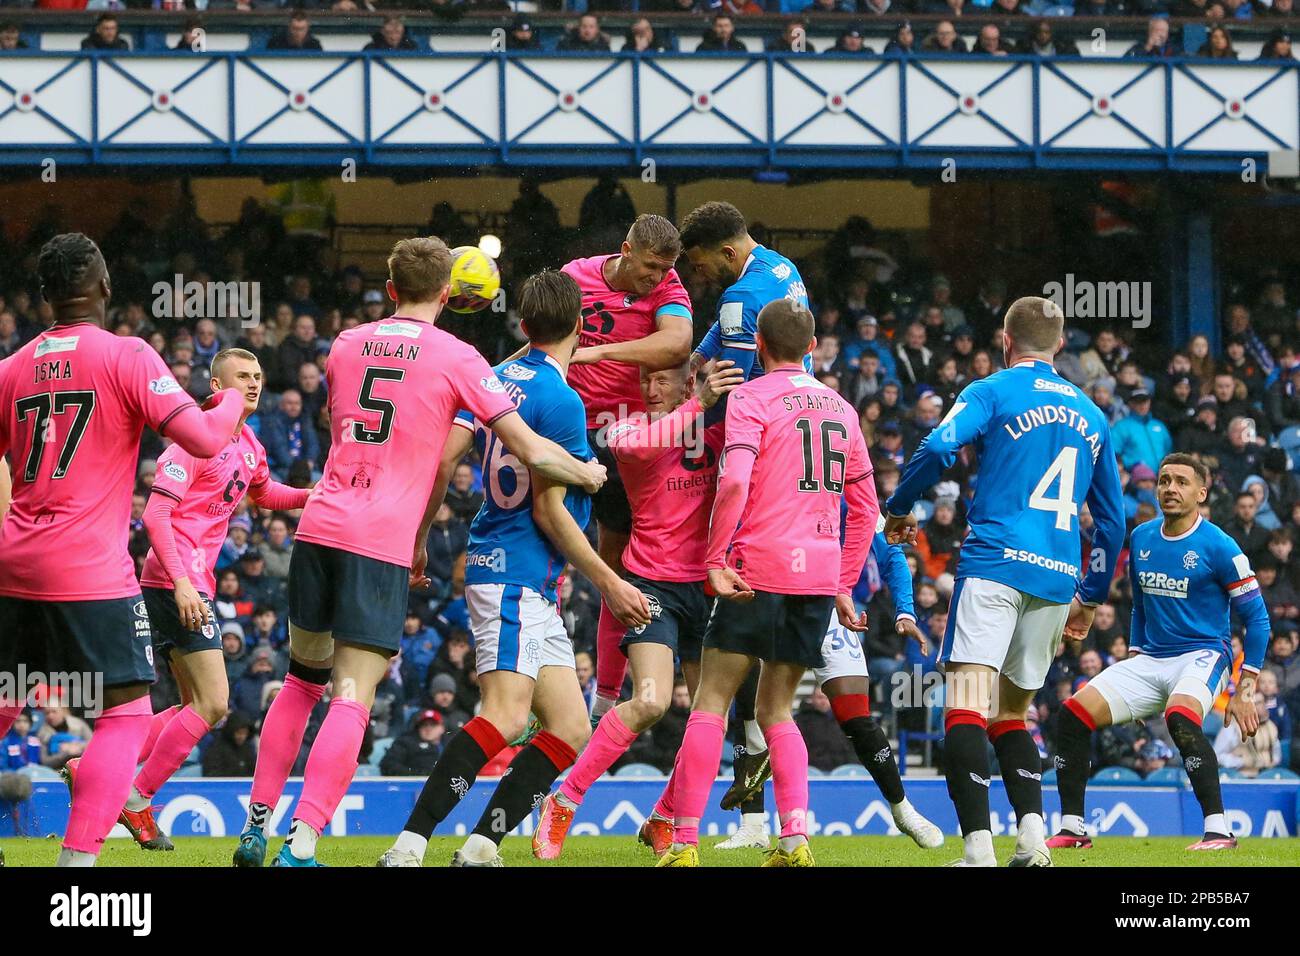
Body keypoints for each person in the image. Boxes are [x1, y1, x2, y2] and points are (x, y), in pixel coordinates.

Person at [232, 238, 607, 868]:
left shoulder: (345, 345)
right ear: (449, 293)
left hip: (320, 526)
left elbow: (351, 417)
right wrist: (589, 475)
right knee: (352, 694)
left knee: (300, 682)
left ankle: (255, 828)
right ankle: (301, 846)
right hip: (378, 540)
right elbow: (531, 449)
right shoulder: (460, 358)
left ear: (389, 283)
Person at [376, 271, 649, 868]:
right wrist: (611, 581)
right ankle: (409, 844)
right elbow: (551, 512)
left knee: (571, 727)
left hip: (517, 575)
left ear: (523, 327)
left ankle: (480, 846)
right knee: (502, 714)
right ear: (581, 326)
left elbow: (448, 457)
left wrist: (421, 538)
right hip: (515, 573)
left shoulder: (497, 379)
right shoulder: (564, 402)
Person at [0, 233, 247, 867]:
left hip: (13, 563)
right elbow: (198, 437)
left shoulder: (13, 366)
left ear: (46, 296)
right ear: (106, 288)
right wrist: (228, 404)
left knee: (7, 698)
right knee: (125, 715)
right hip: (87, 570)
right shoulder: (128, 355)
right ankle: (77, 869)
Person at [882, 296, 1125, 868]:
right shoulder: (1092, 414)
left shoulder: (991, 389)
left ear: (1006, 340)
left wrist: (899, 505)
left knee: (965, 704)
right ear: (1061, 345)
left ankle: (977, 851)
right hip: (1059, 577)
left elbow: (940, 443)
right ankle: (1034, 842)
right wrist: (1089, 599)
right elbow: (1112, 524)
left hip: (995, 563)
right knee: (1012, 713)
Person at [659, 299, 878, 868]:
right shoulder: (844, 410)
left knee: (710, 703)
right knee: (778, 710)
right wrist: (845, 583)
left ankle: (683, 844)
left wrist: (714, 556)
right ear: (812, 348)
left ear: (757, 346)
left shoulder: (750, 398)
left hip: (758, 567)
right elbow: (866, 506)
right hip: (817, 576)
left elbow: (733, 480)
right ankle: (795, 840)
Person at [530, 359, 742, 860]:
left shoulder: (717, 430)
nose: (649, 387)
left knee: (713, 718)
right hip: (652, 583)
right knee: (650, 700)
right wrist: (699, 403)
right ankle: (564, 799)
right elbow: (637, 448)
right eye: (644, 379)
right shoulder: (628, 429)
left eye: (660, 378)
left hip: (708, 586)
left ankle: (665, 815)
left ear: (687, 380)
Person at [117, 349, 310, 851]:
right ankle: (136, 798)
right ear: (215, 381)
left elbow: (265, 494)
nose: (252, 383)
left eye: (258, 376)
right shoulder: (193, 436)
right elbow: (156, 517)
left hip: (187, 580)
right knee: (215, 702)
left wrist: (313, 496)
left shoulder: (249, 444)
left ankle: (100, 763)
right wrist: (183, 583)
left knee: (192, 704)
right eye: (241, 376)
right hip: (173, 580)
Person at [1049, 455, 1270, 851]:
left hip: (1203, 655)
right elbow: (1140, 605)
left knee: (1181, 717)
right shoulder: (1143, 537)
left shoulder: (1221, 546)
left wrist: (1245, 688)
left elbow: (1258, 620)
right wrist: (1133, 657)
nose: (1170, 488)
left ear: (1201, 494)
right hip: (1150, 658)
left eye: (1182, 482)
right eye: (1165, 480)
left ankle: (1219, 830)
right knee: (1073, 714)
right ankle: (1073, 828)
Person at [720, 530, 945, 851]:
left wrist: (906, 609)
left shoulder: (851, 489)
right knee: (752, 711)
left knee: (855, 717)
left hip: (830, 607)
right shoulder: (772, 484)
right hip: (771, 598)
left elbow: (891, 551)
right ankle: (753, 825)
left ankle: (903, 809)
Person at [559, 216, 694, 731]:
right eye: (651, 266)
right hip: (567, 430)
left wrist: (596, 351)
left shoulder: (668, 287)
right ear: (625, 249)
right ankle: (536, 687)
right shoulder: (577, 276)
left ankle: (606, 696)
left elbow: (678, 343)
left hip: (628, 442)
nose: (658, 276)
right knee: (550, 555)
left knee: (617, 567)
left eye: (667, 269)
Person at [683, 200, 812, 389]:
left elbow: (732, 387)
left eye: (700, 266)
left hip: (768, 411)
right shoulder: (783, 265)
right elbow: (734, 320)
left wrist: (691, 415)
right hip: (801, 395)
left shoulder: (740, 295)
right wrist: (697, 359)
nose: (700, 275)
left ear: (729, 254)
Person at [380, 710, 446, 776]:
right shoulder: (405, 743)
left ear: (442, 728)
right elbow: (389, 764)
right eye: (424, 725)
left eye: (433, 725)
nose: (428, 728)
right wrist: (415, 775)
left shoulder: (449, 744)